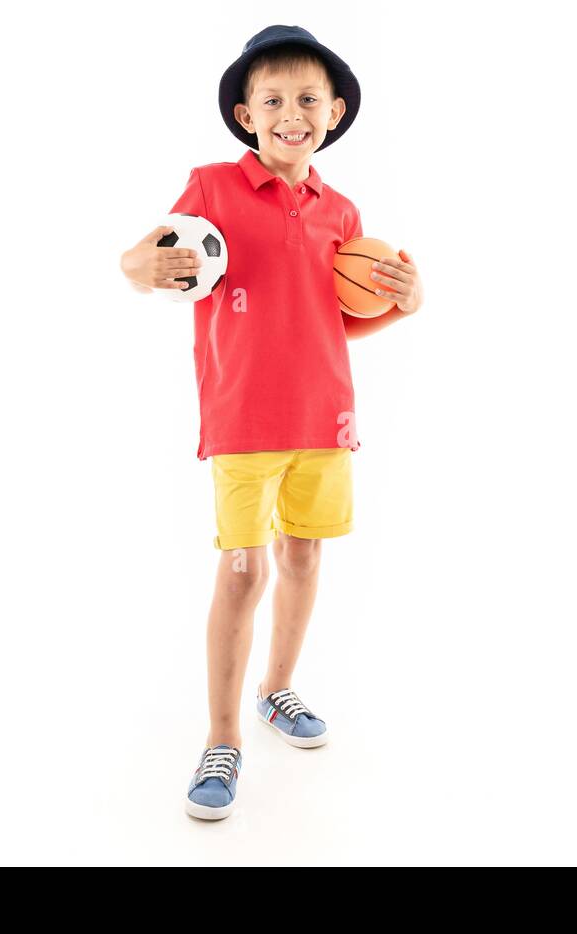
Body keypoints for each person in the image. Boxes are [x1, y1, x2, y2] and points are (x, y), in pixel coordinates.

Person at [119, 25, 424, 820]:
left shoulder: (342, 211)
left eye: (307, 99)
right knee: (244, 572)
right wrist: (136, 269)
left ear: (336, 110)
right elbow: (146, 257)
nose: (292, 113)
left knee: (303, 559)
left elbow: (341, 317)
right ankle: (223, 737)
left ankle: (277, 690)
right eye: (274, 100)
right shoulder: (213, 187)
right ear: (246, 115)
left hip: (325, 415)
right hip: (243, 417)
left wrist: (404, 304)